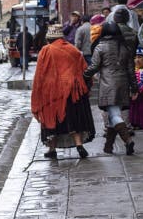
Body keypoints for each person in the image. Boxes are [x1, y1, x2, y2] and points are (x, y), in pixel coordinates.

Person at [31, 24, 95, 160]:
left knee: (54, 120)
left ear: (49, 38)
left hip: (53, 92)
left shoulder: (46, 50)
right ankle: (79, 145)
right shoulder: (73, 50)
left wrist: (38, 92)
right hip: (73, 92)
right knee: (74, 120)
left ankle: (52, 149)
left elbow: (40, 74)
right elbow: (84, 70)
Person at [84, 22, 138, 155]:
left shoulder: (100, 47)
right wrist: (134, 87)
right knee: (113, 114)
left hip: (108, 84)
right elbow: (131, 70)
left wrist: (84, 75)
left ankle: (128, 140)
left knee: (114, 115)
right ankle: (108, 147)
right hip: (123, 83)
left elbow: (95, 66)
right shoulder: (126, 48)